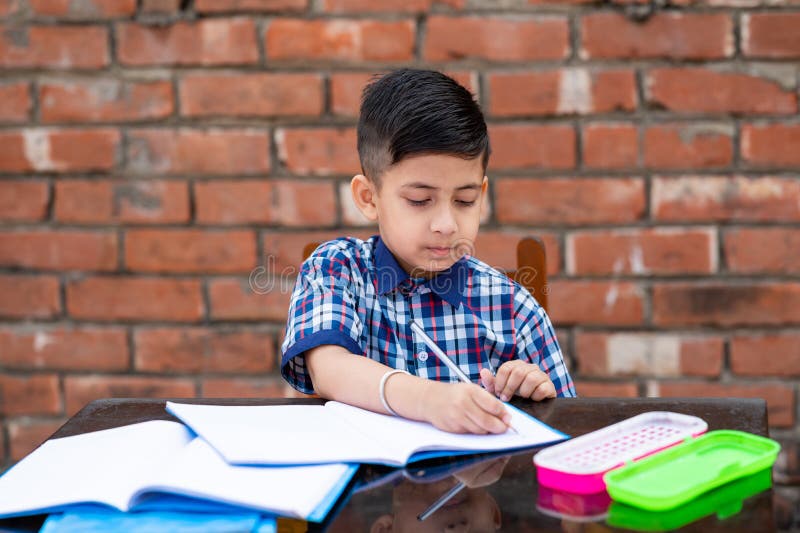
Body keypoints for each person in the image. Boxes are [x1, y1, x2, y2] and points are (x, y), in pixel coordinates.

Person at [280, 68, 576, 435]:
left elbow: (568, 430)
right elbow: (328, 369)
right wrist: (427, 399)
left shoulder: (513, 309)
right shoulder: (337, 269)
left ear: (482, 196)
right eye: (420, 200)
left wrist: (537, 397)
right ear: (369, 198)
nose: (446, 224)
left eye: (464, 201)